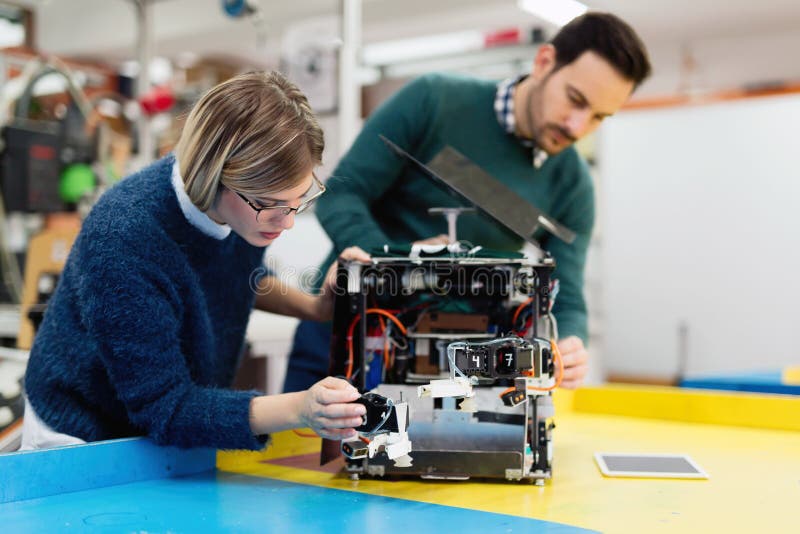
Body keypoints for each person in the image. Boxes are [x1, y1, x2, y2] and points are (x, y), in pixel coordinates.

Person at [284, 12, 651, 392]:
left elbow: (566, 293)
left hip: (452, 365)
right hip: (346, 334)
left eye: (598, 117)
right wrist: (396, 265)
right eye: (575, 99)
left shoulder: (572, 185)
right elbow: (341, 194)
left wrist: (570, 343)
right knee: (300, 432)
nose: (578, 126)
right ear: (544, 62)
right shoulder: (434, 100)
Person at [21, 71, 370, 451]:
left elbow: (238, 275)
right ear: (214, 174)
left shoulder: (241, 212)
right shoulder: (124, 237)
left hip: (164, 423)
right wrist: (301, 408)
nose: (286, 222)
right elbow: (166, 409)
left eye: (299, 199)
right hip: (83, 431)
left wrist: (316, 307)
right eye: (269, 204)